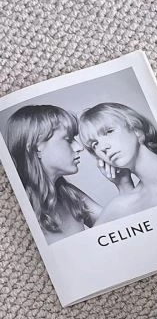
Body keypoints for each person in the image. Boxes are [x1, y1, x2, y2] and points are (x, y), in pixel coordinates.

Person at [4, 103, 121, 243]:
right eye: (68, 139)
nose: (79, 147)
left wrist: (122, 183)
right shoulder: (14, 207)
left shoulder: (69, 195)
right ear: (36, 147)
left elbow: (118, 226)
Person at [77, 102, 157, 224]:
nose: (102, 147)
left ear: (136, 129)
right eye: (95, 144)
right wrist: (124, 185)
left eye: (109, 131)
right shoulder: (120, 204)